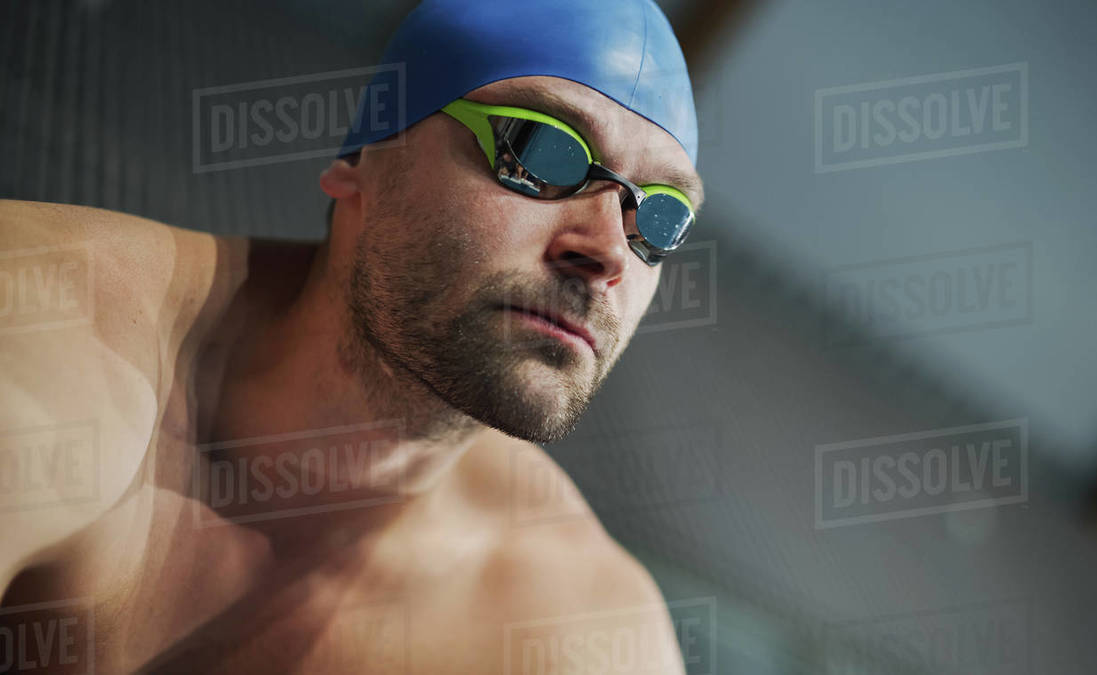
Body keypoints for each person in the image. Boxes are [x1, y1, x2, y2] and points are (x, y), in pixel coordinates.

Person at [0, 0, 704, 671]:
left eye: (660, 218)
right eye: (542, 151)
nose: (610, 251)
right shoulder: (50, 335)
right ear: (363, 157)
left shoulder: (576, 626)